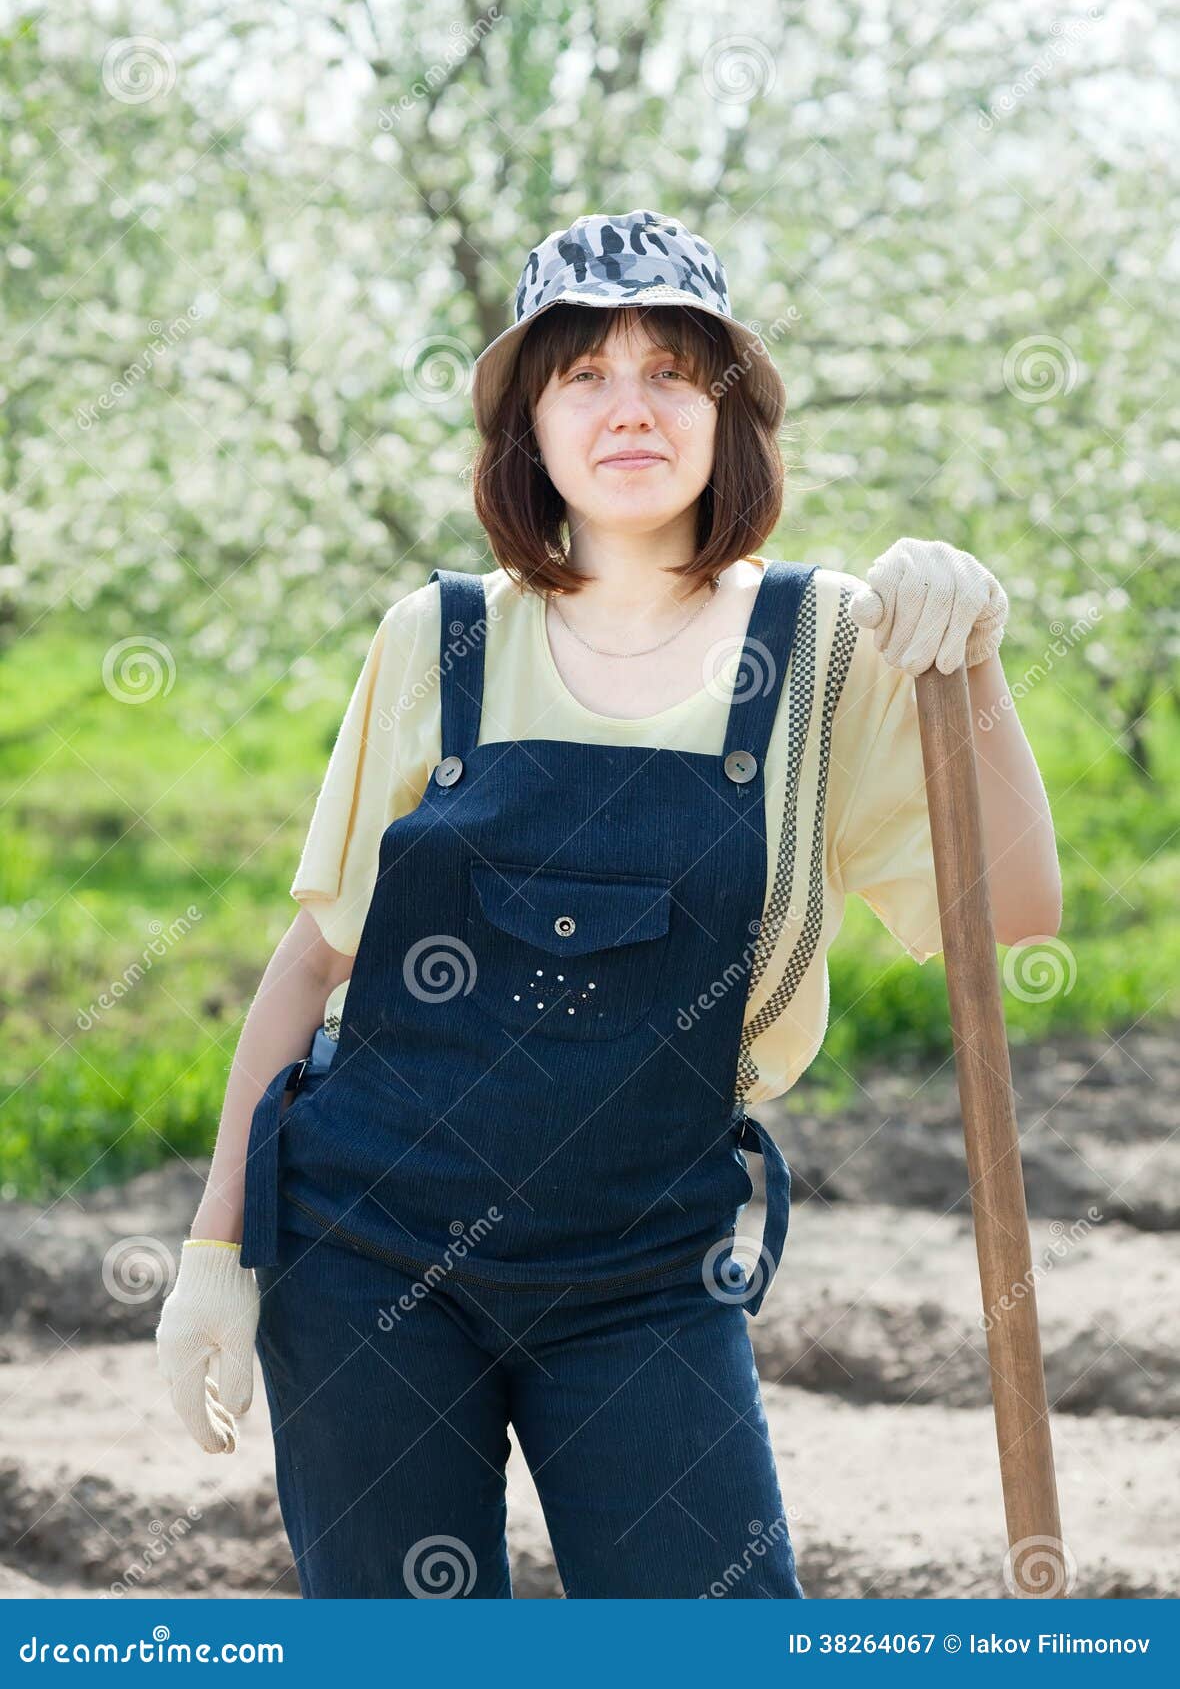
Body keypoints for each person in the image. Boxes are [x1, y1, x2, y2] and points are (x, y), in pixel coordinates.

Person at [155, 208, 1057, 1599]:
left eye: (669, 370)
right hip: (369, 1257)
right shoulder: (440, 638)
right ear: (530, 420)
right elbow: (310, 959)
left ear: (728, 410)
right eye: (583, 371)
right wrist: (217, 1247)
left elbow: (1012, 915)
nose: (627, 407)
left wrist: (978, 672)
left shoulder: (827, 647)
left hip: (647, 1271)